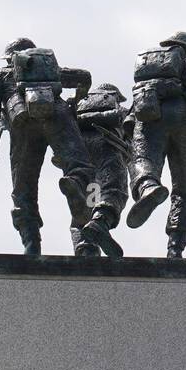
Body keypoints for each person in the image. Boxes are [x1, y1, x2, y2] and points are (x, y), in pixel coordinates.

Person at [0, 39, 95, 256]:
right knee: (82, 168)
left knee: (23, 188)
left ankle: (31, 244)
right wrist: (75, 101)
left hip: (22, 123)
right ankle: (78, 200)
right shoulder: (50, 70)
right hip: (57, 115)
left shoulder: (1, 73)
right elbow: (85, 77)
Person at [126, 31, 186, 258]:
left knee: (143, 162)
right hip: (184, 120)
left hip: (149, 118)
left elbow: (134, 109)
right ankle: (175, 245)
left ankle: (148, 188)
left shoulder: (149, 70)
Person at [67, 83, 130, 257]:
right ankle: (100, 221)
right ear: (113, 96)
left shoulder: (79, 107)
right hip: (106, 144)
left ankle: (86, 244)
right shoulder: (120, 110)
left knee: (90, 194)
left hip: (80, 149)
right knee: (114, 188)